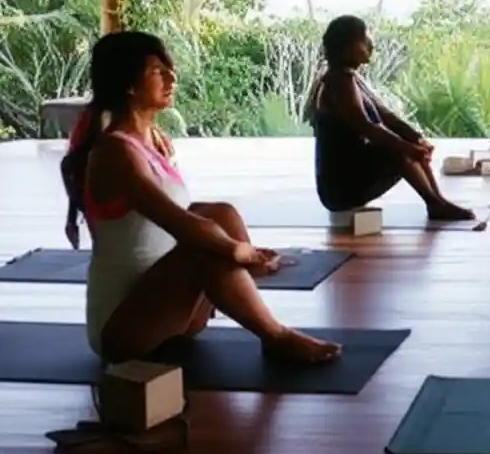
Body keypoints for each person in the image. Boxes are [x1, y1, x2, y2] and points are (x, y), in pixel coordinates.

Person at [61, 30, 341, 364]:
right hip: (123, 330)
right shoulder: (115, 151)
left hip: (171, 309)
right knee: (204, 246)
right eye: (157, 71)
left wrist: (243, 255)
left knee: (220, 213)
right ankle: (276, 336)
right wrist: (240, 252)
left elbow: (191, 217)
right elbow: (179, 224)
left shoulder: (150, 141)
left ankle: (245, 297)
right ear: (129, 84)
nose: (171, 77)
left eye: (169, 69)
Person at [307, 15, 474, 220]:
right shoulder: (337, 83)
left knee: (405, 142)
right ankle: (434, 203)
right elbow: (365, 126)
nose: (371, 44)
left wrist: (417, 138)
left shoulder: (351, 78)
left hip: (353, 174)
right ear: (349, 46)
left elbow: (386, 116)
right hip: (341, 188)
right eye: (364, 38)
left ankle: (437, 201)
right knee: (394, 147)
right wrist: (409, 149)